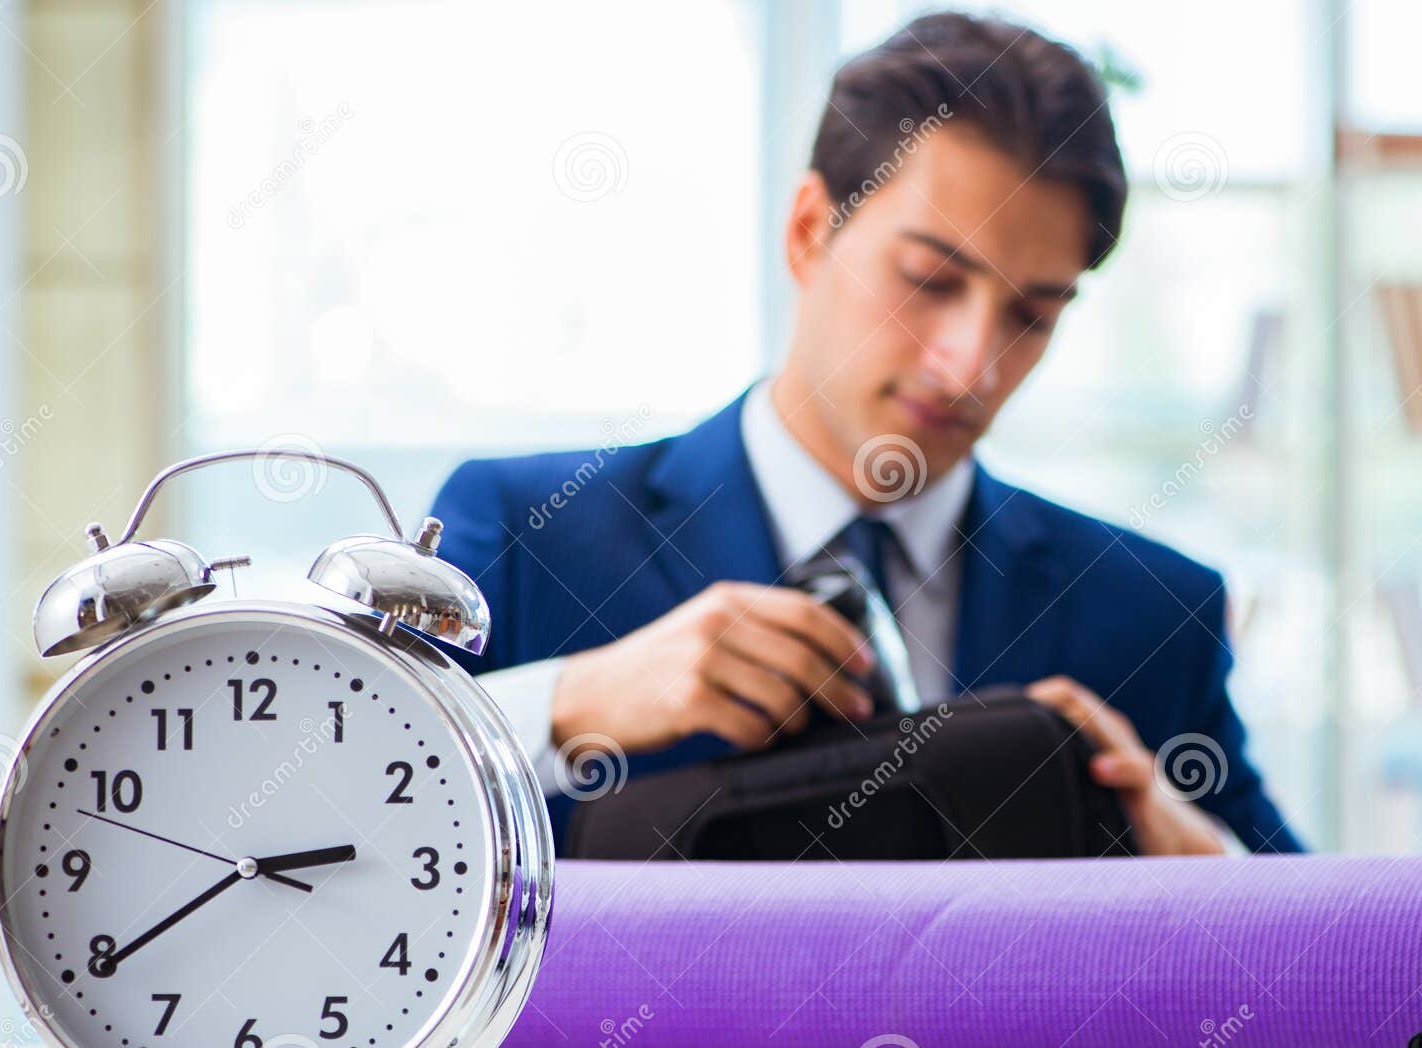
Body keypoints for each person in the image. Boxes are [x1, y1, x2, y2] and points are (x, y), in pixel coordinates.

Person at [431, 12, 1303, 856]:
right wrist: (567, 704)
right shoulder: (525, 536)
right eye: (929, 279)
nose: (971, 368)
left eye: (1032, 316)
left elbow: (1347, 960)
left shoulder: (1152, 612)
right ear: (810, 231)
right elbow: (339, 825)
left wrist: (1201, 869)